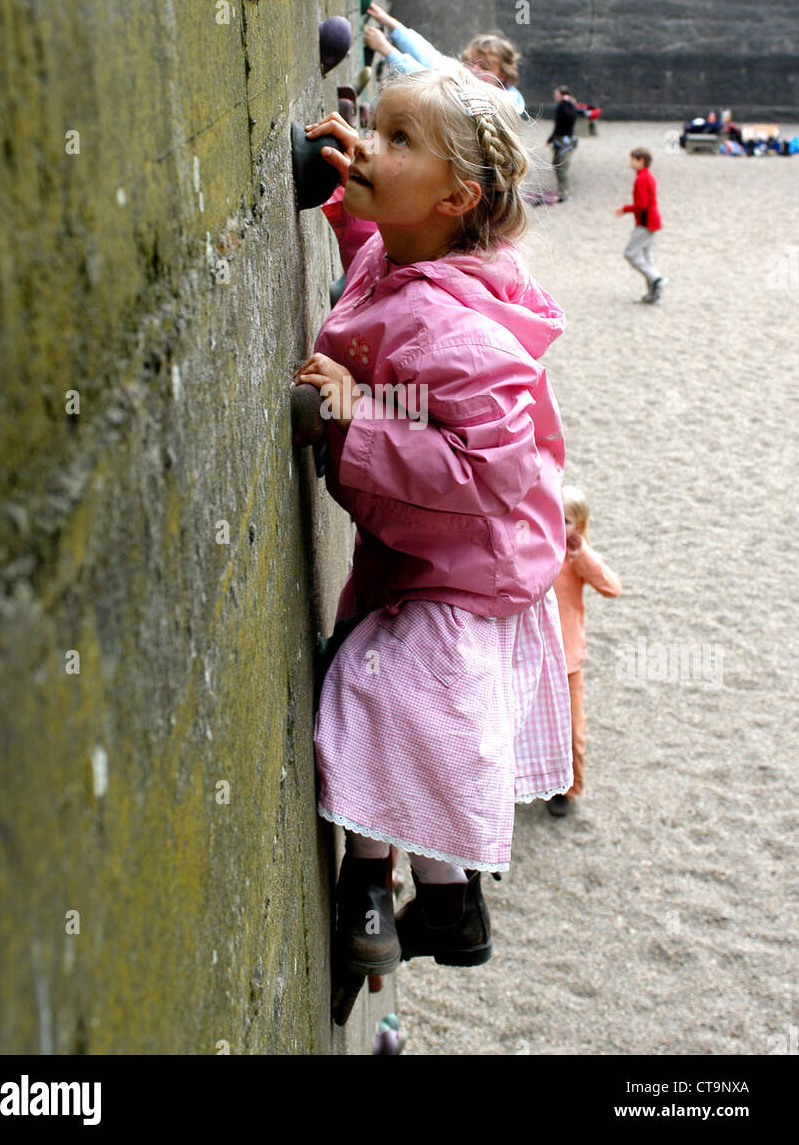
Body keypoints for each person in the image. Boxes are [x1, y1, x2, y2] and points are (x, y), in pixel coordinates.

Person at [295, 62, 572, 986]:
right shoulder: (407, 250)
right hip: (428, 546)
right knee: (416, 715)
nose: (371, 145)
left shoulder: (457, 332)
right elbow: (371, 273)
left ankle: (368, 893)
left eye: (396, 140)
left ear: (456, 198)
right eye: (371, 128)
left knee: (375, 705)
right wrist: (346, 195)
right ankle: (451, 907)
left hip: (466, 566)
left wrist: (358, 418)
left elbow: (488, 471)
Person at [549, 487, 621, 817]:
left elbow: (611, 587)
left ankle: (569, 788)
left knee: (573, 731)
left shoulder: (575, 557)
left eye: (566, 521)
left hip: (567, 660)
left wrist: (583, 556)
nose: (558, 525)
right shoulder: (539, 550)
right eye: (554, 516)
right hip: (535, 657)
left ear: (579, 527)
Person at [363, 2, 527, 114]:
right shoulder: (477, 83)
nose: (473, 69)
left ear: (503, 75)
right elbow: (432, 58)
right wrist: (391, 23)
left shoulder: (491, 102)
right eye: (471, 62)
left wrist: (386, 49)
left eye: (484, 67)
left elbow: (432, 83)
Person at [615, 147, 666, 303]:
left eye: (634, 160)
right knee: (646, 257)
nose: (631, 163)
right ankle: (653, 294)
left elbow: (642, 204)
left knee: (630, 253)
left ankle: (656, 279)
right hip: (651, 220)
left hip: (646, 222)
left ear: (641, 161)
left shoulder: (642, 178)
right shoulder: (647, 176)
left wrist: (625, 209)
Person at [546, 86, 578, 202]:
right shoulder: (563, 106)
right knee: (557, 164)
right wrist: (551, 139)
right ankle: (562, 190)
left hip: (566, 141)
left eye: (556, 94)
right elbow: (558, 125)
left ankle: (565, 193)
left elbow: (570, 116)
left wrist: (565, 101)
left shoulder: (567, 106)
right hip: (559, 140)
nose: (554, 96)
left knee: (563, 166)